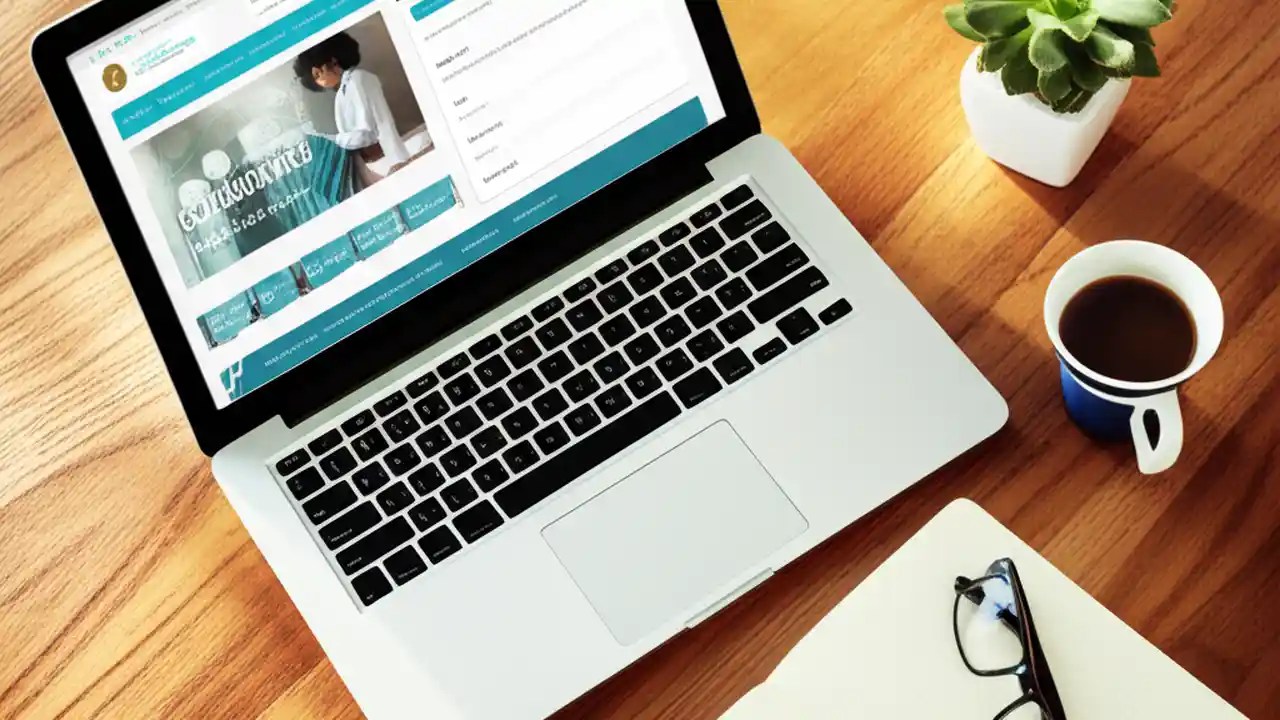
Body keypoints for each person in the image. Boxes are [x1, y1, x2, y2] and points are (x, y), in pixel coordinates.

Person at [293, 32, 409, 188]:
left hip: (388, 157)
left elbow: (369, 133)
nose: (319, 80)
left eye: (318, 73)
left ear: (333, 62)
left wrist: (333, 139)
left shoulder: (358, 80)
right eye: (315, 77)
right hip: (374, 164)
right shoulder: (342, 93)